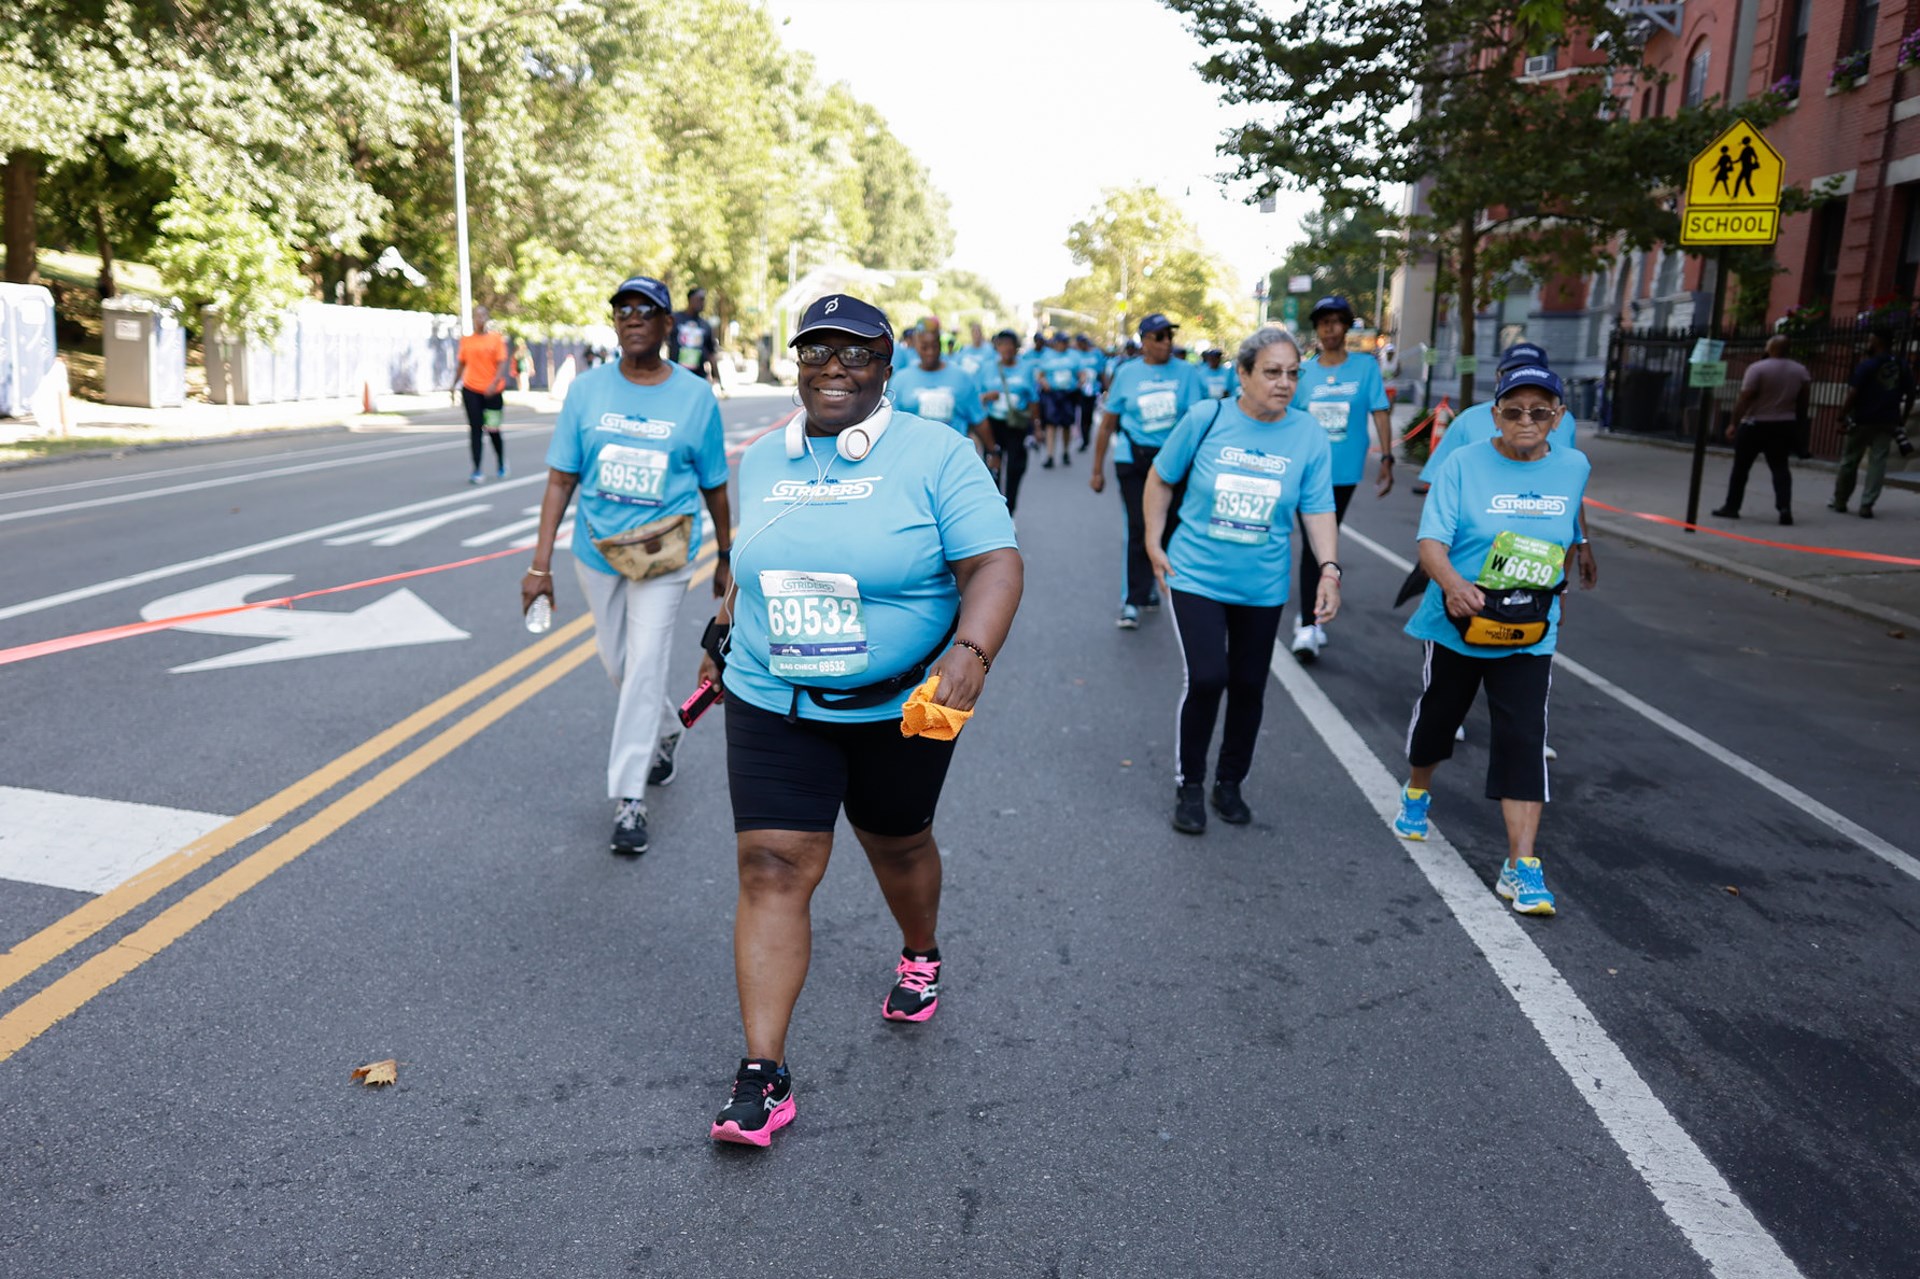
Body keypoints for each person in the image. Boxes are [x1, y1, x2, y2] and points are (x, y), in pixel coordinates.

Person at [699, 293, 1023, 1148]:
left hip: (899, 705)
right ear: (796, 363)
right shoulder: (762, 458)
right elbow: (748, 560)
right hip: (775, 694)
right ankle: (763, 1076)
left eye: (855, 352)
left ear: (887, 366)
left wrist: (972, 651)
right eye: (816, 351)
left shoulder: (937, 455)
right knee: (773, 863)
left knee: (897, 839)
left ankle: (920, 949)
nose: (833, 366)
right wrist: (723, 631)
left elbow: (994, 561)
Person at [520, 275, 731, 857]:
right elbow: (562, 477)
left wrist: (726, 558)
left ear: (668, 324)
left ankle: (629, 798)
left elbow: (714, 484)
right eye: (623, 309)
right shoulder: (587, 391)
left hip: (665, 556)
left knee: (643, 667)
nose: (633, 317)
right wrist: (540, 566)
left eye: (647, 309)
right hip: (597, 552)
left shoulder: (693, 396)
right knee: (618, 662)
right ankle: (666, 731)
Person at [1392, 363, 1597, 916]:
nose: (1525, 420)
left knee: (1524, 738)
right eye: (1513, 409)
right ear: (1496, 414)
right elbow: (1430, 541)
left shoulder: (1574, 464)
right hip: (1460, 621)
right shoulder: (1464, 463)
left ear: (1557, 417)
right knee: (1439, 718)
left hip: (1530, 629)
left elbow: (1567, 532)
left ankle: (1521, 865)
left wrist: (1574, 564)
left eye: (1539, 410)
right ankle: (1416, 791)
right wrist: (1455, 585)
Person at [1145, 327, 1340, 833]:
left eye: (1293, 373)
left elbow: (1318, 508)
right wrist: (1152, 541)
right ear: (1244, 374)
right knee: (1209, 677)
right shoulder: (1206, 418)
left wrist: (1329, 569)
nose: (1285, 383)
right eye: (1272, 372)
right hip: (1197, 574)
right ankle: (1189, 784)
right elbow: (1162, 477)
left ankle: (1229, 783)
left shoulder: (1307, 435)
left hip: (1263, 583)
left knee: (1249, 686)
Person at [1289, 296, 1396, 662]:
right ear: (1316, 329)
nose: (1330, 329)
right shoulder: (1303, 373)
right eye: (1323, 323)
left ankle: (1312, 612)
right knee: (1315, 546)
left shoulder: (1365, 367)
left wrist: (1387, 457)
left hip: (1346, 473)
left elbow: (1380, 411)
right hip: (1307, 473)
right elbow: (1289, 421)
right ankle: (1308, 624)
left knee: (1325, 544)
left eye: (1336, 322)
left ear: (1346, 327)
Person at [1090, 314, 1207, 629]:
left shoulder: (1188, 373)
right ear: (1144, 341)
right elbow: (1108, 424)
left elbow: (1199, 422)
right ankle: (1132, 600)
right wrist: (1097, 469)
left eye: (1169, 335)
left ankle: (1157, 586)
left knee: (1170, 527)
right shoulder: (1127, 374)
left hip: (1174, 461)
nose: (1167, 342)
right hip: (1134, 459)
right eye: (1159, 336)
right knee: (1140, 527)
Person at [1714, 334, 1812, 526]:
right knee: (1780, 467)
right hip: (1783, 424)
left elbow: (1746, 397)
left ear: (1770, 348)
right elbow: (1803, 401)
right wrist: (1798, 425)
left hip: (1755, 423)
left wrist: (1734, 422)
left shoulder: (1757, 369)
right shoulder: (1800, 370)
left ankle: (1732, 507)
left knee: (1741, 468)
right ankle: (1784, 508)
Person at [890, 323, 996, 460]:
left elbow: (979, 419)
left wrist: (993, 451)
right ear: (916, 346)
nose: (930, 352)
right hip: (912, 459)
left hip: (954, 459)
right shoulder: (900, 380)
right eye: (924, 347)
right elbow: (892, 425)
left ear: (940, 345)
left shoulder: (962, 378)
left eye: (934, 346)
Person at [1831, 331, 1909, 518]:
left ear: (1877, 342)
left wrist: (1842, 415)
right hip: (1888, 419)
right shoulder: (1901, 365)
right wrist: (1902, 419)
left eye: (1869, 340)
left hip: (1863, 419)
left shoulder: (1867, 365)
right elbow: (1911, 394)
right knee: (1878, 461)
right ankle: (1867, 503)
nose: (1867, 343)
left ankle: (1840, 500)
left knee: (1850, 460)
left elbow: (1853, 393)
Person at [981, 328, 1037, 514]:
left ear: (1016, 347)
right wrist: (987, 396)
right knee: (992, 466)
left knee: (1015, 467)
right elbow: (976, 398)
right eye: (1002, 344)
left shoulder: (1026, 367)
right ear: (997, 347)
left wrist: (1036, 427)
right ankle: (995, 508)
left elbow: (1033, 399)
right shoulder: (988, 368)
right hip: (993, 424)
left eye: (1009, 345)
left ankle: (1009, 509)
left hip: (1016, 425)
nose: (1006, 348)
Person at [455, 305, 509, 484]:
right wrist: (454, 383)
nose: (480, 318)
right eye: (476, 316)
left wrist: (494, 383)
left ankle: (501, 462)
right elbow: (461, 364)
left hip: (493, 392)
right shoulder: (467, 340)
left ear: (487, 318)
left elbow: (502, 363)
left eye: (483, 315)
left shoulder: (496, 339)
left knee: (493, 430)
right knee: (475, 430)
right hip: (471, 389)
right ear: (473, 318)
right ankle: (477, 469)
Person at [1036, 331, 1083, 468]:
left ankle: (1066, 451)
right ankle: (1050, 455)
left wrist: (1080, 383)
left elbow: (1081, 373)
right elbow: (1040, 375)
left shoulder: (1073, 356)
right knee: (1051, 424)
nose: (1062, 345)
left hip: (1068, 393)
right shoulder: (1047, 356)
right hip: (1052, 394)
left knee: (1066, 425)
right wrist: (1045, 384)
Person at [672, 287, 725, 396]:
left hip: (698, 378)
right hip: (676, 377)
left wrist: (717, 378)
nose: (703, 303)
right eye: (700, 299)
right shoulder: (674, 320)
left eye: (704, 300)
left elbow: (711, 354)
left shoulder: (705, 325)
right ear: (690, 299)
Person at [1073, 333, 1102, 451]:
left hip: (1093, 391)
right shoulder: (1075, 355)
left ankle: (1087, 436)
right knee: (1081, 415)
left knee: (1088, 416)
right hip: (1079, 391)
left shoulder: (1096, 354)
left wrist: (1106, 389)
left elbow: (1101, 372)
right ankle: (1084, 439)